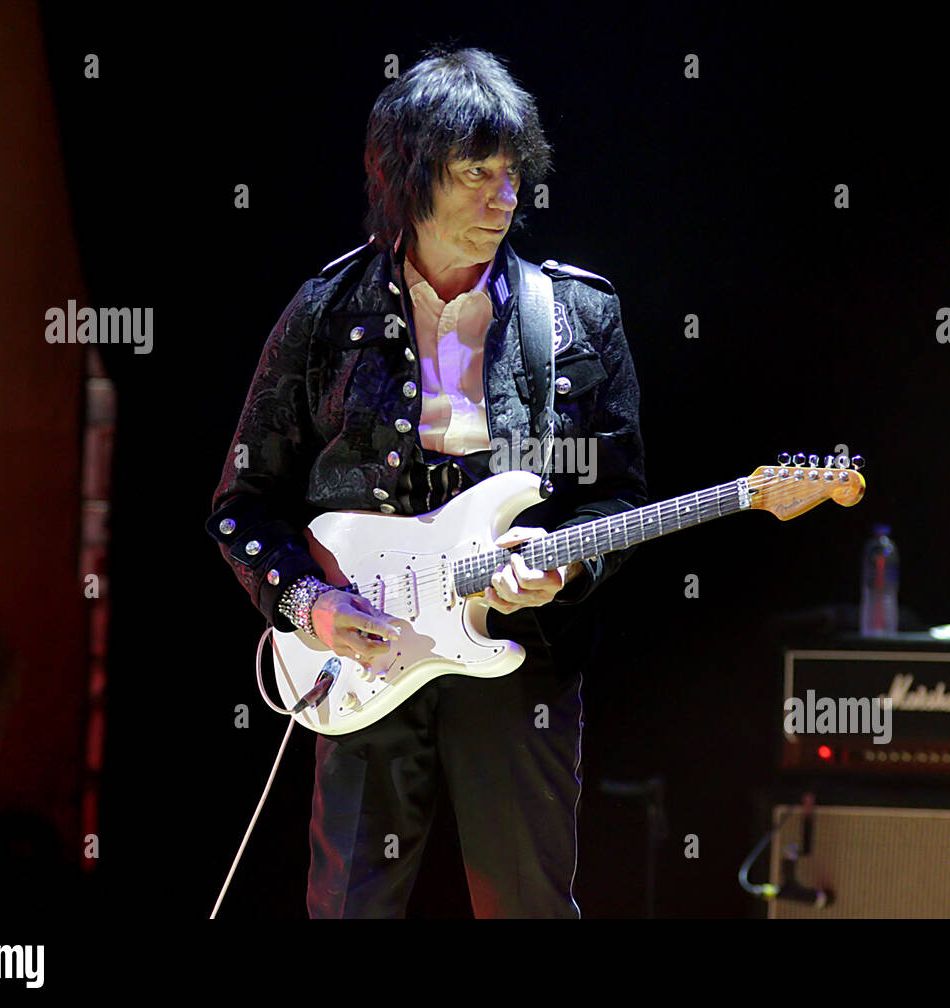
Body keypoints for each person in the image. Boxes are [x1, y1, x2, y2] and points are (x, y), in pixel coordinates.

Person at [206, 47, 646, 918]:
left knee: (526, 904)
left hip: (522, 664)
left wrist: (566, 570)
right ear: (411, 179)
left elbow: (616, 499)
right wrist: (309, 607)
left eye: (512, 173)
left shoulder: (578, 315)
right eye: (475, 175)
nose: (505, 198)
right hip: (364, 653)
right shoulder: (326, 313)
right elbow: (241, 508)